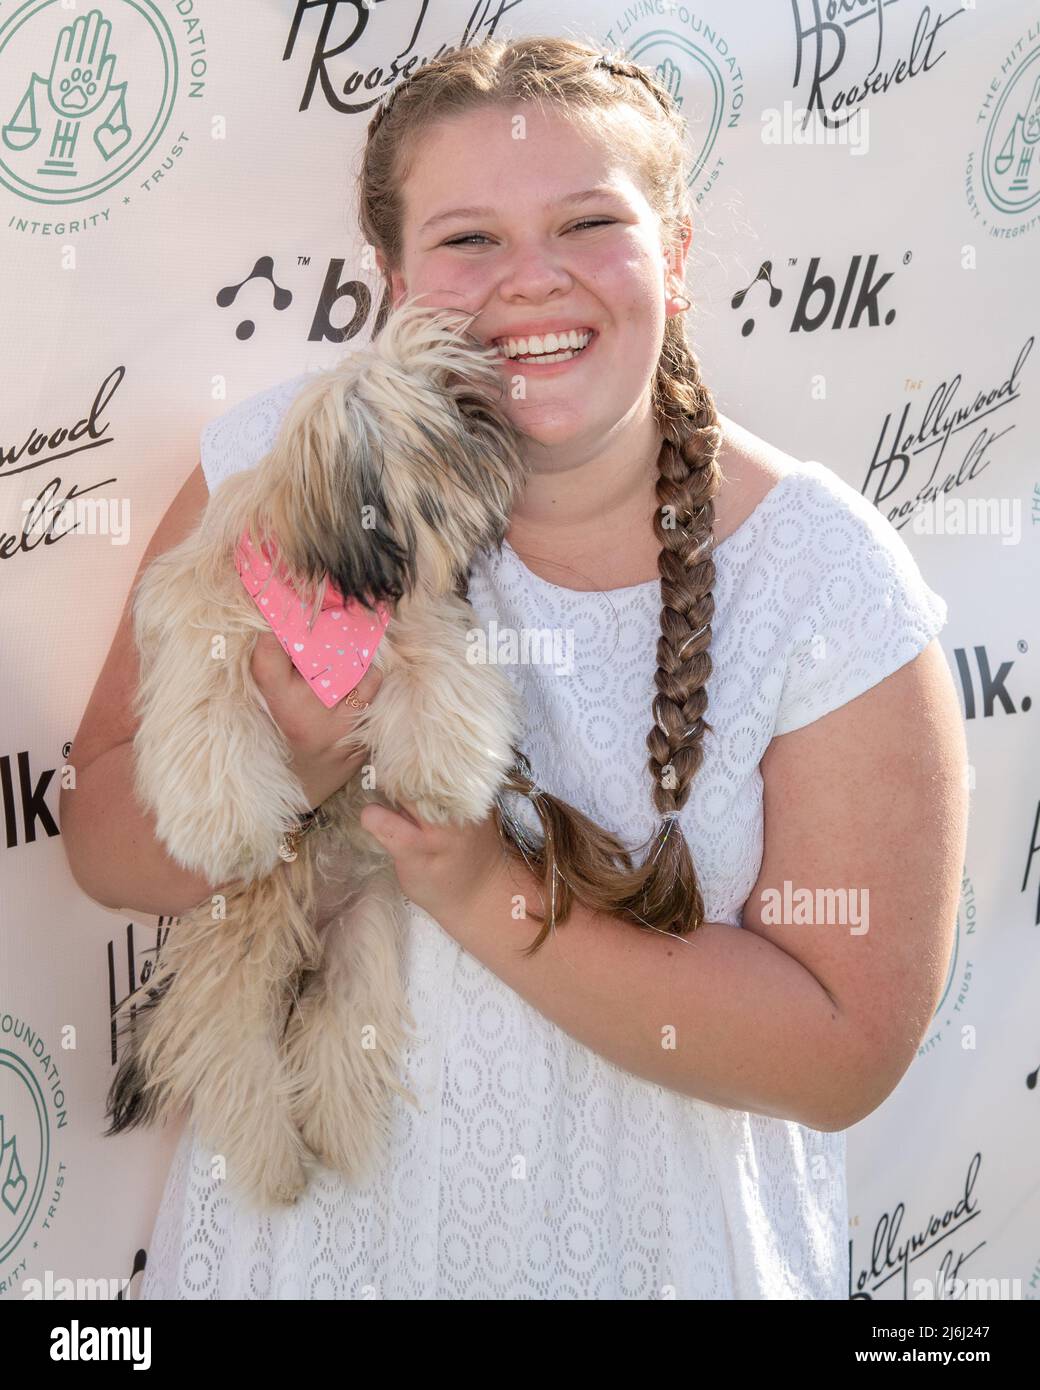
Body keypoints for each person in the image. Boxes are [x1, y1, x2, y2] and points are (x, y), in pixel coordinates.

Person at [62, 35, 969, 1299]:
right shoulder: (267, 473)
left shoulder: (818, 574)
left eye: (587, 223)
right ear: (390, 277)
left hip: (654, 1259)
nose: (529, 284)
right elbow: (100, 840)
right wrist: (294, 752)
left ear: (678, 248)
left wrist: (485, 887)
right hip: (302, 1257)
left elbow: (842, 1049)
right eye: (468, 240)